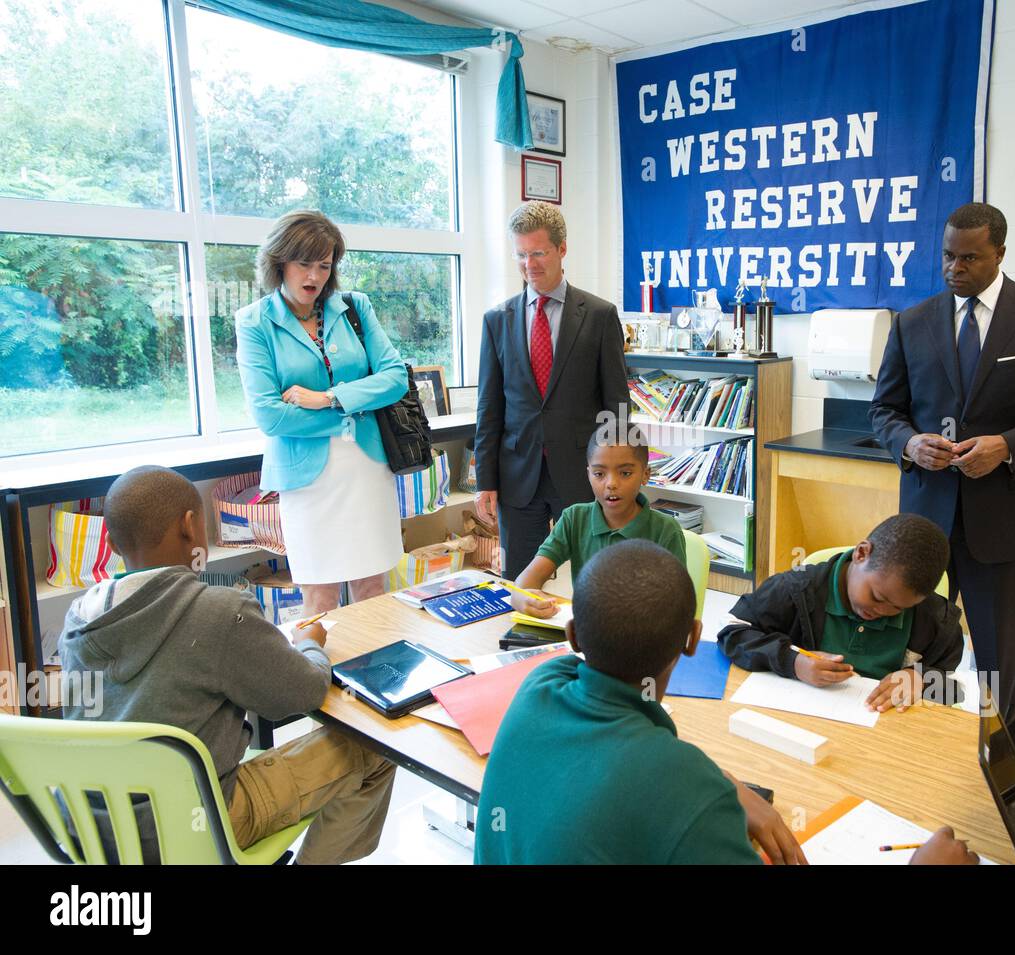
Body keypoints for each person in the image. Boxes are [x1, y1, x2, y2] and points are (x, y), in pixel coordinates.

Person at [476, 540, 979, 864]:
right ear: (693, 640)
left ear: (572, 636)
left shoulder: (539, 685)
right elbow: (658, 768)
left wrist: (718, 781)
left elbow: (640, 757)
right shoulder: (690, 799)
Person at [58, 466, 396, 864]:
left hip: (98, 834)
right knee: (375, 750)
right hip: (195, 824)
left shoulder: (78, 618)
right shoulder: (216, 611)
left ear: (112, 544)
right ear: (190, 526)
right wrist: (310, 646)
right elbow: (303, 692)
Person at [870, 202, 1015, 711]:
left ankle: (999, 753)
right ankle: (919, 750)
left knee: (998, 655)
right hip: (924, 521)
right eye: (947, 256)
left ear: (1000, 254)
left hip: (1004, 522)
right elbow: (884, 409)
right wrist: (908, 443)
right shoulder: (912, 322)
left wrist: (1007, 445)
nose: (955, 269)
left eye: (969, 258)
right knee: (914, 649)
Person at [235, 209, 408, 615]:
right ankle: (321, 677)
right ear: (279, 262)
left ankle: (378, 674)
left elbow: (396, 377)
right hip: (306, 479)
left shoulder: (354, 307)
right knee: (320, 596)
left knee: (372, 589)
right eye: (303, 264)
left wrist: (329, 397)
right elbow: (270, 416)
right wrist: (354, 411)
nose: (314, 277)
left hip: (367, 467)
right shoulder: (255, 322)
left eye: (325, 266)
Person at [474, 201, 630, 580]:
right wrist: (485, 482)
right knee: (521, 582)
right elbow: (489, 408)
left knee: (596, 578)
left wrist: (622, 474)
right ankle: (526, 642)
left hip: (582, 474)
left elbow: (617, 405)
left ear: (562, 249)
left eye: (539, 253)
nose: (530, 264)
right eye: (521, 255)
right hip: (517, 476)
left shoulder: (598, 315)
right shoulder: (498, 320)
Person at [718, 514, 965, 712]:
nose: (881, 611)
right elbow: (733, 632)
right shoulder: (795, 590)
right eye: (877, 597)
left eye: (898, 608)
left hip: (884, 736)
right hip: (799, 718)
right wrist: (793, 662)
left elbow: (955, 686)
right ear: (861, 554)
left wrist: (920, 678)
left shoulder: (936, 620)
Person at [508, 423, 686, 619]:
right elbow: (525, 582)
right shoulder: (573, 519)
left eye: (625, 473)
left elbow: (677, 607)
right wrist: (522, 598)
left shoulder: (665, 530)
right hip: (588, 636)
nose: (611, 484)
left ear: (645, 475)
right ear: (588, 474)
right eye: (599, 474)